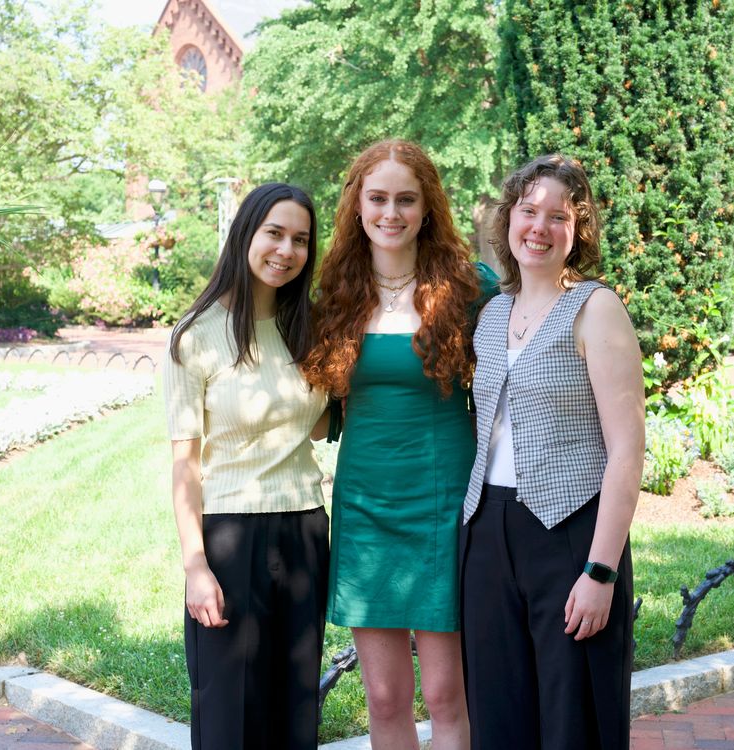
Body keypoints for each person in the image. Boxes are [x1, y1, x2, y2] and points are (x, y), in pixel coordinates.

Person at [301, 140, 497, 750]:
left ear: (427, 207)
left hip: (443, 502)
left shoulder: (470, 289)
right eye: (378, 198)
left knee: (445, 694)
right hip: (365, 507)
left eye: (406, 199)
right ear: (357, 207)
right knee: (384, 698)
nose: (392, 212)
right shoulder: (334, 295)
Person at [460, 154, 645, 750]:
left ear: (578, 230)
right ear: (508, 218)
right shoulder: (490, 315)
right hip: (486, 531)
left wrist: (600, 570)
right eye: (528, 210)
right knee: (498, 711)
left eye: (557, 216)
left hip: (571, 533)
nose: (538, 226)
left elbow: (627, 450)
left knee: (574, 718)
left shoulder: (596, 308)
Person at [163, 183, 328, 750]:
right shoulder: (195, 336)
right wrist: (196, 567)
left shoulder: (309, 326)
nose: (286, 250)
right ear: (246, 235)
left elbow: (322, 424)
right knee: (229, 709)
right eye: (274, 233)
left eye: (301, 239)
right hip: (231, 538)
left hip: (306, 529)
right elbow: (184, 465)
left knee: (295, 705)